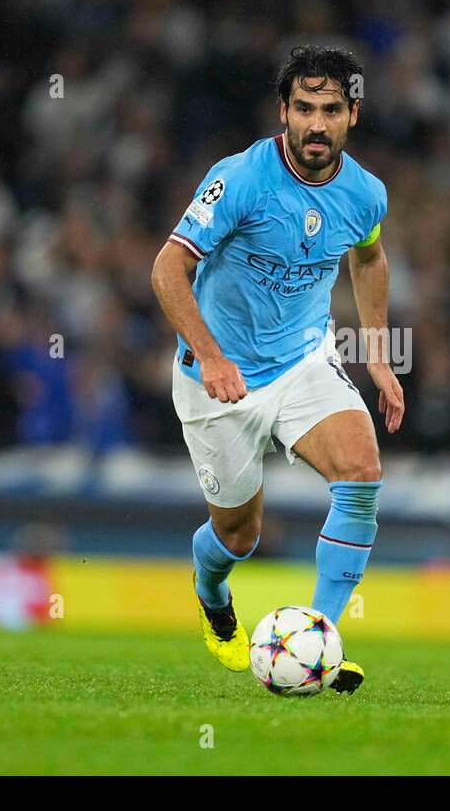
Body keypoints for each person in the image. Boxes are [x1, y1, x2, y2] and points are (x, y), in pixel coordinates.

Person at [151, 45, 404, 694]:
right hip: (217, 379)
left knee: (362, 470)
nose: (316, 124)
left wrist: (378, 354)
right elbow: (166, 269)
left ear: (353, 113)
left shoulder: (364, 193)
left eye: (330, 109)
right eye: (303, 108)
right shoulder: (240, 179)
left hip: (301, 362)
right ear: (283, 112)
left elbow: (369, 261)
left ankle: (321, 638)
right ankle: (211, 594)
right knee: (239, 535)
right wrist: (210, 355)